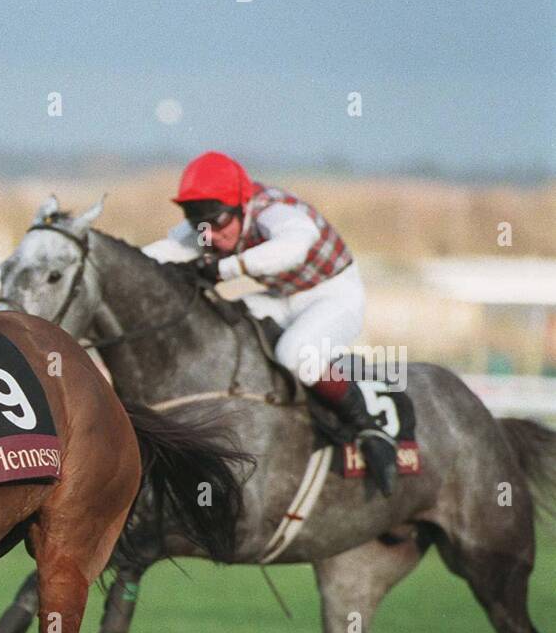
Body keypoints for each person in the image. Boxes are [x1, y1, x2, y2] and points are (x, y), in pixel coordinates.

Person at [143, 151, 397, 495]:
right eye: (201, 225)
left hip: (335, 295)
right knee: (219, 324)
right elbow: (163, 252)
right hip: (283, 299)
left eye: (218, 223)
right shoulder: (213, 223)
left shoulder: (273, 209)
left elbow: (294, 245)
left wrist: (224, 269)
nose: (212, 236)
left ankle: (366, 426)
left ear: (241, 205)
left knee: (295, 353)